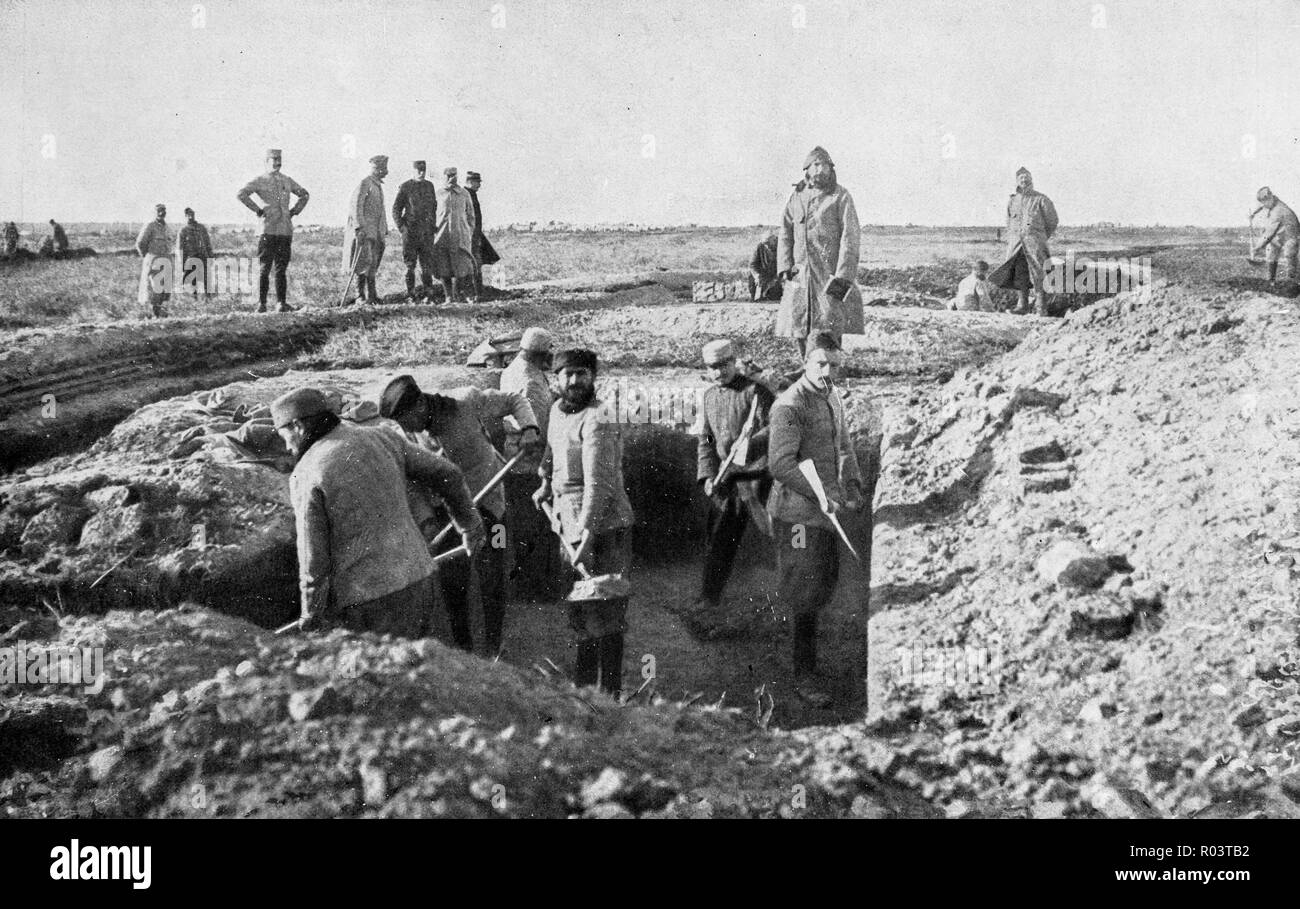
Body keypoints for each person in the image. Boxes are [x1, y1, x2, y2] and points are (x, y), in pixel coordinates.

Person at [273, 387, 485, 637]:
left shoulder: (306, 473)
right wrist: (469, 525)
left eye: (283, 435)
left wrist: (312, 615)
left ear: (297, 426)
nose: (286, 446)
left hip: (370, 602)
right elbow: (448, 473)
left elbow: (313, 558)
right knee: (427, 658)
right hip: (421, 577)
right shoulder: (382, 436)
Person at [379, 374, 541, 657]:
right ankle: (463, 652)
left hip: (492, 506)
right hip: (448, 514)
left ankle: (494, 648)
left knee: (493, 572)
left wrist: (529, 428)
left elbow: (516, 400)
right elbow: (412, 480)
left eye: (406, 420)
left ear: (420, 406)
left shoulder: (466, 400)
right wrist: (427, 519)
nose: (404, 429)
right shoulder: (408, 433)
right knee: (453, 582)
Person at [766, 331, 864, 709]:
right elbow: (781, 465)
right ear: (805, 362)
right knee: (805, 588)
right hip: (795, 517)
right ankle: (803, 675)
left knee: (822, 582)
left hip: (824, 513)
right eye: (821, 363)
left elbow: (844, 445)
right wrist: (823, 495)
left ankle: (803, 654)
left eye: (834, 365)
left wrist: (852, 484)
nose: (827, 371)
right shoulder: (789, 406)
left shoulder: (831, 396)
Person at [532, 349, 634, 696]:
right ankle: (585, 693)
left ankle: (609, 695)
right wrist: (546, 481)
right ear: (556, 379)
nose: (575, 381)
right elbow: (552, 450)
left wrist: (588, 534)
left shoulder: (599, 417)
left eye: (582, 374)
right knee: (580, 608)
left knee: (606, 609)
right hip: (569, 522)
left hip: (604, 526)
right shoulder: (556, 411)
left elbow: (599, 483)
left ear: (593, 377)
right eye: (568, 374)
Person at [688, 338, 775, 640]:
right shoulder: (710, 396)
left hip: (757, 476)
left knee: (770, 532)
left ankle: (780, 597)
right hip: (726, 481)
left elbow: (776, 427)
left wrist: (749, 446)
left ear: (734, 362)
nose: (719, 372)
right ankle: (710, 597)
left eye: (724, 365)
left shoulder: (756, 392)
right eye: (712, 367)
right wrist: (707, 475)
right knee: (718, 538)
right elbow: (706, 440)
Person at [776, 146, 864, 358]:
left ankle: (829, 368)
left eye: (825, 165)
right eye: (816, 165)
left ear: (831, 169)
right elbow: (785, 232)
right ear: (807, 169)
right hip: (800, 274)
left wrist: (843, 276)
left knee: (829, 323)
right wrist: (785, 266)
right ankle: (806, 366)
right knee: (798, 321)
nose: (820, 170)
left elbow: (850, 238)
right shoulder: (797, 197)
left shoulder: (840, 196)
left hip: (828, 274)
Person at [237, 148, 310, 313]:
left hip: (284, 230)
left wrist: (294, 212)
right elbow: (241, 194)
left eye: (279, 159)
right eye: (274, 159)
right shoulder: (260, 180)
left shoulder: (287, 180)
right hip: (267, 230)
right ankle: (261, 304)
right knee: (264, 268)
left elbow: (304, 195)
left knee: (281, 269)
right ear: (266, 162)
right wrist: (257, 210)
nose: (277, 163)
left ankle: (281, 303)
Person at [994, 167, 1058, 316]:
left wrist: (1039, 237)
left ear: (1031, 179)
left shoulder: (1041, 199)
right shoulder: (1012, 201)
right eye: (1021, 178)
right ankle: (1022, 306)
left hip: (1035, 243)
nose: (1024, 180)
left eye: (1026, 177)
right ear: (1017, 181)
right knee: (1019, 272)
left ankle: (1041, 308)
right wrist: (1013, 238)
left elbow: (1052, 221)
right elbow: (1009, 222)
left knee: (1039, 272)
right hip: (1017, 243)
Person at [343, 155, 390, 305]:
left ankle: (372, 295)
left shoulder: (377, 186)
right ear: (377, 169)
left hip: (376, 232)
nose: (386, 171)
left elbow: (380, 210)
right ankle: (360, 295)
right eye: (383, 168)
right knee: (363, 263)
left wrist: (384, 228)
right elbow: (356, 206)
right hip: (366, 231)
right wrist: (359, 227)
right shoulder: (365, 183)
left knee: (373, 263)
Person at [392, 160, 438, 302]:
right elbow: (396, 209)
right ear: (413, 171)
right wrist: (402, 227)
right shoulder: (406, 187)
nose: (421, 173)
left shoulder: (429, 186)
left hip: (426, 234)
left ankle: (428, 294)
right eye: (419, 170)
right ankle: (411, 294)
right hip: (410, 233)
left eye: (424, 170)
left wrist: (432, 225)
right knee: (410, 265)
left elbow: (433, 208)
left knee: (427, 265)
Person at [433, 167, 477, 304]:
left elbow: (471, 216)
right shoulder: (438, 194)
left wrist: (468, 232)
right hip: (442, 236)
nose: (452, 178)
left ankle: (467, 295)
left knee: (464, 265)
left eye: (454, 176)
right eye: (449, 176)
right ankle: (448, 296)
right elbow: (432, 215)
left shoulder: (464, 194)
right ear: (444, 177)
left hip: (460, 236)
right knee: (444, 267)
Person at [1251, 186, 1300, 285]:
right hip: (1281, 233)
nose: (1263, 205)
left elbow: (1269, 233)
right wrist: (1254, 213)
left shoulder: (1278, 210)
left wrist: (1257, 247)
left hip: (1291, 235)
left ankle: (1293, 282)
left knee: (1289, 254)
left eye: (1264, 202)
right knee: (1271, 249)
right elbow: (1262, 206)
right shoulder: (1273, 202)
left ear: (1269, 198)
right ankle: (1271, 280)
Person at [465, 171, 499, 299]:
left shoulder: (471, 194)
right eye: (477, 182)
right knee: (474, 263)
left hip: (476, 234)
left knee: (478, 262)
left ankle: (478, 291)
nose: (479, 185)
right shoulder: (466, 194)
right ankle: (475, 292)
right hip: (470, 235)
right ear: (470, 182)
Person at [135, 203, 173, 317]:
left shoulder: (166, 227)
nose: (161, 213)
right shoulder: (150, 226)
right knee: (154, 287)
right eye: (159, 211)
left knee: (165, 289)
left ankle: (161, 313)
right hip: (154, 260)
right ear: (154, 213)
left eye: (163, 211)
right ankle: (154, 313)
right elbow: (140, 243)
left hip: (166, 260)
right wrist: (148, 257)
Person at [177, 207, 214, 299]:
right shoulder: (183, 230)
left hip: (203, 257)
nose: (190, 217)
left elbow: (208, 243)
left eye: (192, 214)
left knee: (206, 279)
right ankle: (194, 299)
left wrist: (210, 257)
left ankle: (208, 298)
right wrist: (182, 262)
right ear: (185, 216)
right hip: (191, 258)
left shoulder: (201, 228)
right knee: (192, 281)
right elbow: (180, 248)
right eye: (188, 215)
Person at [749, 230, 782, 301]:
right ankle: (755, 296)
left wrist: (776, 279)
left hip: (777, 275)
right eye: (765, 244)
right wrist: (757, 276)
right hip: (764, 275)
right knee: (752, 277)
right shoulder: (759, 246)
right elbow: (752, 264)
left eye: (768, 243)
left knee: (775, 296)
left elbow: (785, 266)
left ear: (774, 240)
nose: (767, 246)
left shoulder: (782, 246)